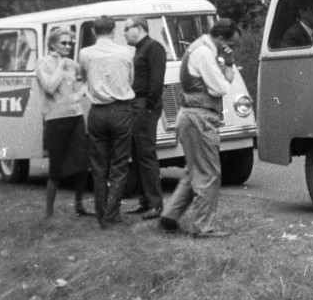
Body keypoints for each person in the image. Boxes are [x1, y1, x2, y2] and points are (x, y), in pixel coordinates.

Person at [158, 19, 239, 237]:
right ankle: (204, 228)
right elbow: (220, 88)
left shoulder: (204, 49)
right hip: (200, 116)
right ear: (221, 39)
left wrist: (228, 63)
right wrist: (225, 68)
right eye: (231, 43)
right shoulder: (204, 53)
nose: (232, 48)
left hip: (194, 115)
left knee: (195, 170)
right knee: (208, 173)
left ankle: (169, 216)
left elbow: (223, 82)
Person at [78, 16, 135, 229]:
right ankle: (112, 212)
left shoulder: (85, 53)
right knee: (119, 164)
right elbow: (130, 79)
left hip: (98, 111)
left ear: (93, 31)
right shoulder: (126, 52)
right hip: (120, 110)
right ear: (113, 31)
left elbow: (83, 77)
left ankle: (101, 213)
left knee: (99, 165)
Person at [36, 27, 90, 219]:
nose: (67, 46)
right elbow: (49, 87)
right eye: (63, 43)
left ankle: (80, 205)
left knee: (82, 163)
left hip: (75, 117)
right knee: (56, 167)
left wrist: (78, 95)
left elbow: (82, 83)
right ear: (52, 44)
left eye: (70, 43)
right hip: (55, 119)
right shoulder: (42, 63)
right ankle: (49, 212)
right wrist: (60, 64)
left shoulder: (74, 64)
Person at [123, 16, 167, 220]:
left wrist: (148, 107)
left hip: (144, 107)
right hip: (136, 106)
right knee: (137, 153)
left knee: (146, 154)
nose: (124, 34)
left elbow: (156, 82)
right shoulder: (139, 49)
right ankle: (144, 200)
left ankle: (156, 204)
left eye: (126, 29)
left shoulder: (153, 47)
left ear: (139, 29)